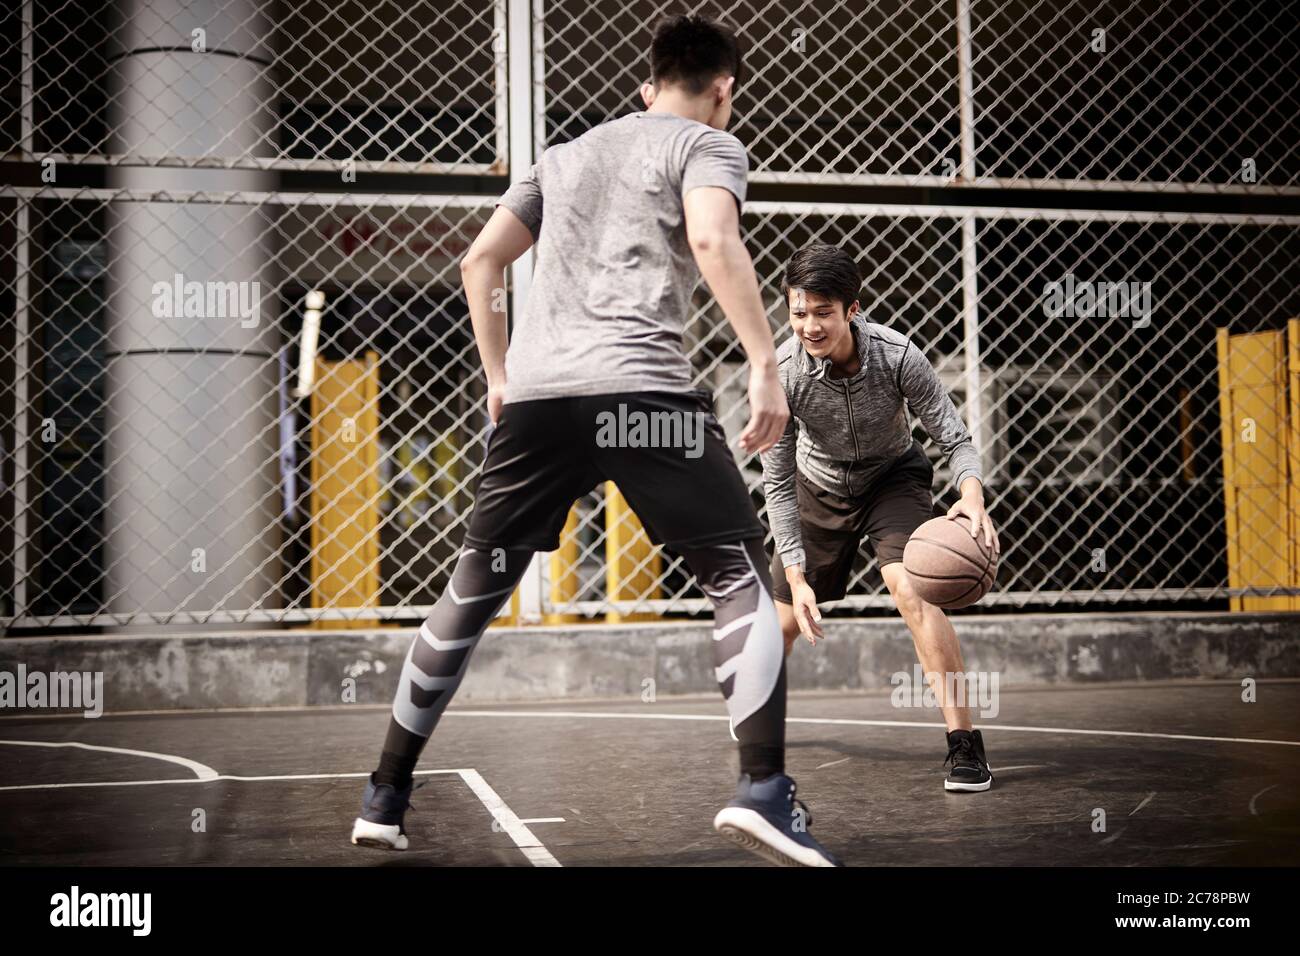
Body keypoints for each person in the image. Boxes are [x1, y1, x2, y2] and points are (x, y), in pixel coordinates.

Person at [351, 15, 839, 866]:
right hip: (641, 391)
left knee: (469, 595)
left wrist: (500, 378)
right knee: (734, 575)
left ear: (647, 84)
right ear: (724, 89)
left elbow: (479, 263)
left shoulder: (561, 156)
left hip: (539, 401)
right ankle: (762, 789)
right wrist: (766, 362)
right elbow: (712, 239)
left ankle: (384, 794)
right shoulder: (708, 144)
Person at [761, 242, 1000, 792]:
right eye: (799, 312)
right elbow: (775, 480)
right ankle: (757, 714)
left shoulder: (898, 357)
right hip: (816, 487)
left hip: (892, 478)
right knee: (780, 626)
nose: (810, 326)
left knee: (913, 590)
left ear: (852, 310)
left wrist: (971, 493)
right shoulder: (783, 373)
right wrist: (797, 577)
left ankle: (964, 744)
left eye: (823, 312)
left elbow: (954, 436)